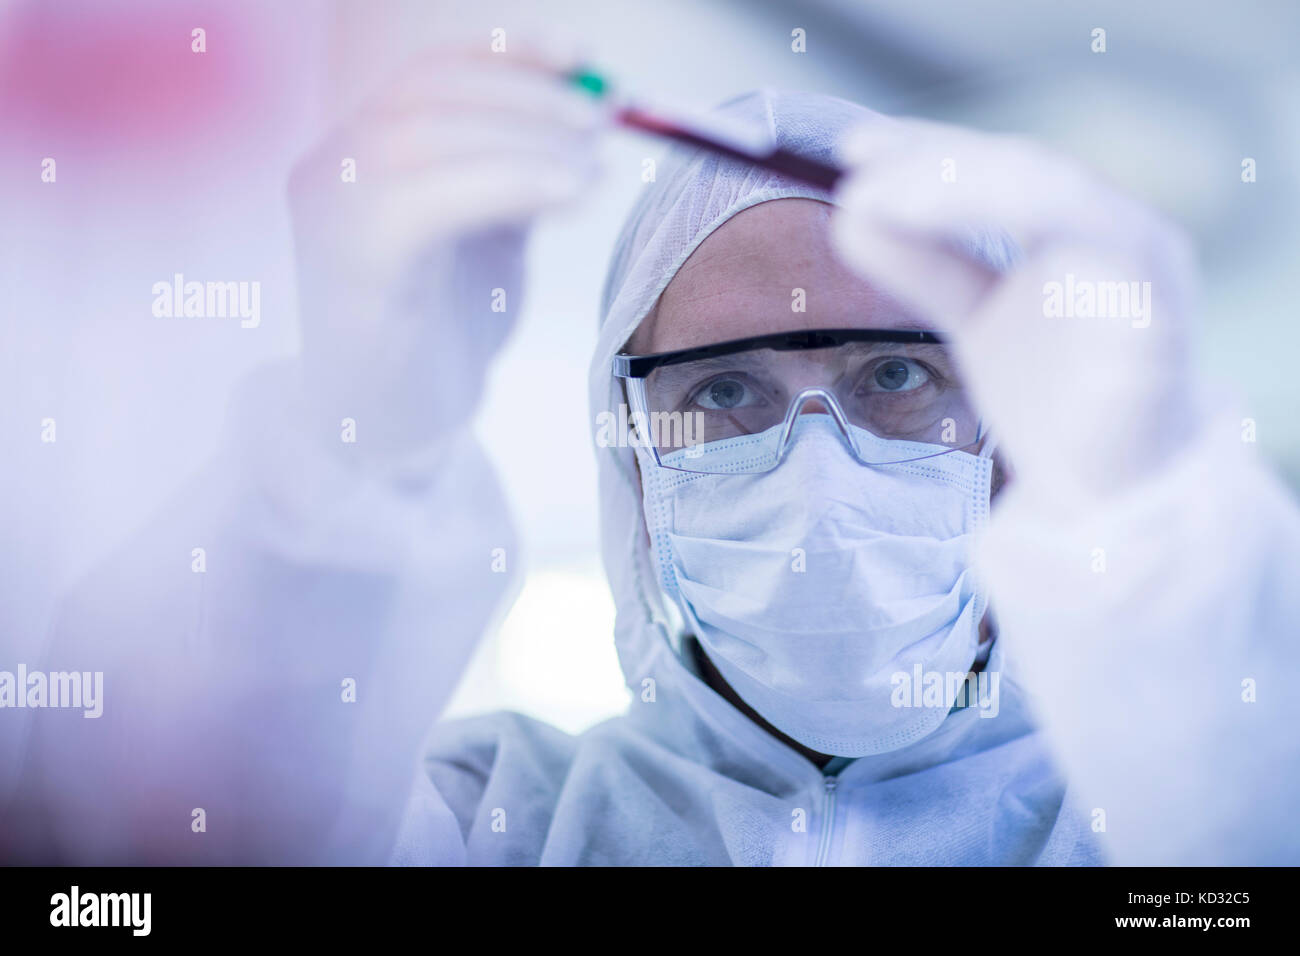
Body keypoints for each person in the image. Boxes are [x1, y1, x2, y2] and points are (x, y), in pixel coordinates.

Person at [7, 46, 1299, 866]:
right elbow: (124, 854)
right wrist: (353, 450)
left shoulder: (1172, 810)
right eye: (724, 388)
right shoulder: (484, 820)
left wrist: (1154, 514)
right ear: (630, 465)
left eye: (894, 374)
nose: (815, 464)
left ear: (1010, 430)